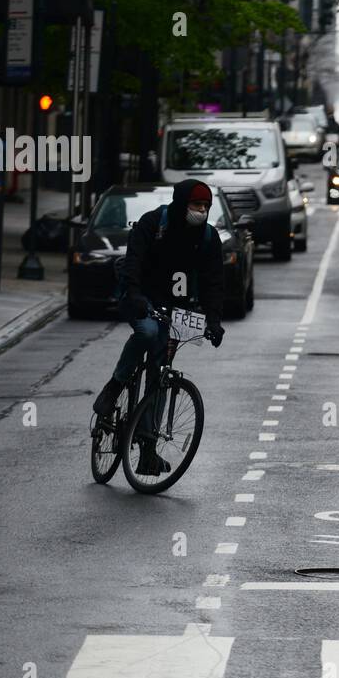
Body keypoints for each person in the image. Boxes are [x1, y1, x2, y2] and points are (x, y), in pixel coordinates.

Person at [93, 179, 226, 475]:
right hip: (139, 298)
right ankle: (115, 386)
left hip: (174, 308)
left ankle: (147, 448)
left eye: (205, 206)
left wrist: (214, 320)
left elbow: (213, 283)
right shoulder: (152, 223)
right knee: (148, 332)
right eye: (195, 205)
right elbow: (133, 263)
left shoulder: (207, 238)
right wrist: (137, 295)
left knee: (161, 372)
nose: (201, 211)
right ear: (181, 204)